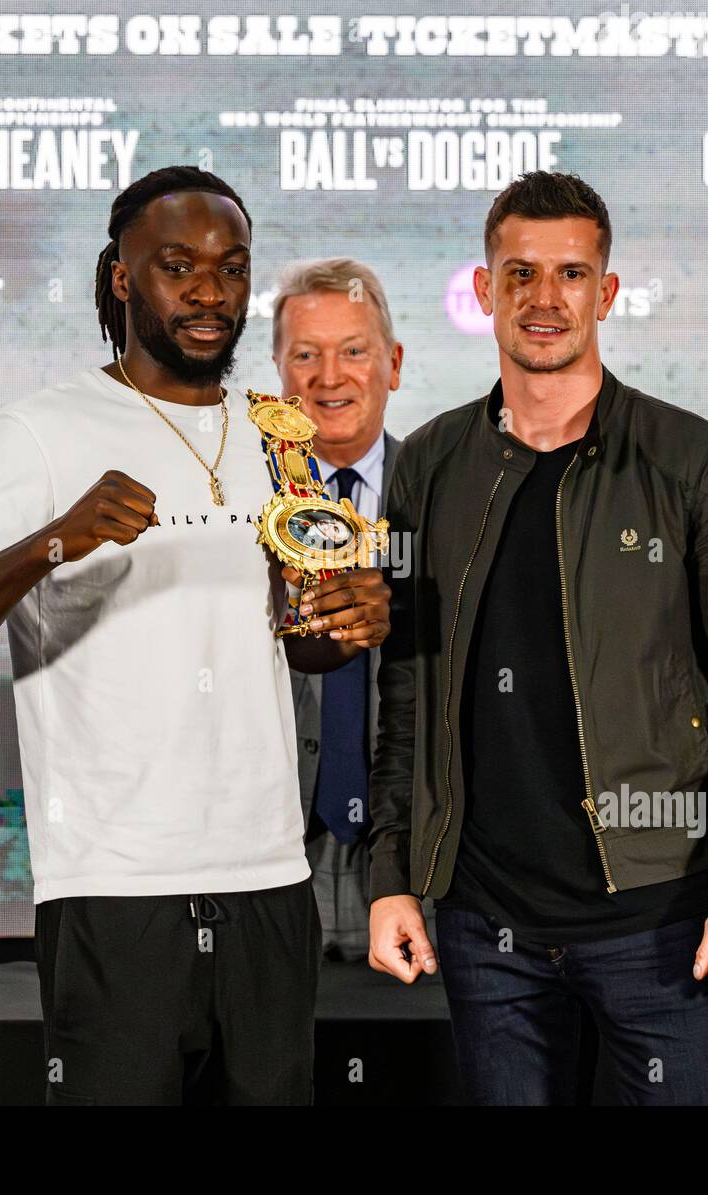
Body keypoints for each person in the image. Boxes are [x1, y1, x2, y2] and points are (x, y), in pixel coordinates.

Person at [0, 166, 390, 1105]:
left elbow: (301, 639)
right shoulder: (42, 431)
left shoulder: (277, 435)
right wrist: (53, 540)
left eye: (232, 269)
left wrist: (351, 616)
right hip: (114, 888)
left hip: (271, 881)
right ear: (121, 278)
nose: (209, 291)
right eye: (177, 266)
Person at [366, 170, 708, 1105]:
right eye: (519, 273)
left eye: (571, 274)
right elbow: (405, 692)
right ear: (484, 290)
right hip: (486, 934)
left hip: (660, 928)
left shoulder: (698, 465)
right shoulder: (430, 470)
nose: (544, 298)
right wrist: (391, 877)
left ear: (605, 293)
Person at [273, 258, 404, 961]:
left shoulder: (455, 501)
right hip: (269, 859)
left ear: (394, 364)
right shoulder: (235, 507)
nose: (330, 377)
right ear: (277, 372)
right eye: (305, 355)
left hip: (419, 870)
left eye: (354, 351)